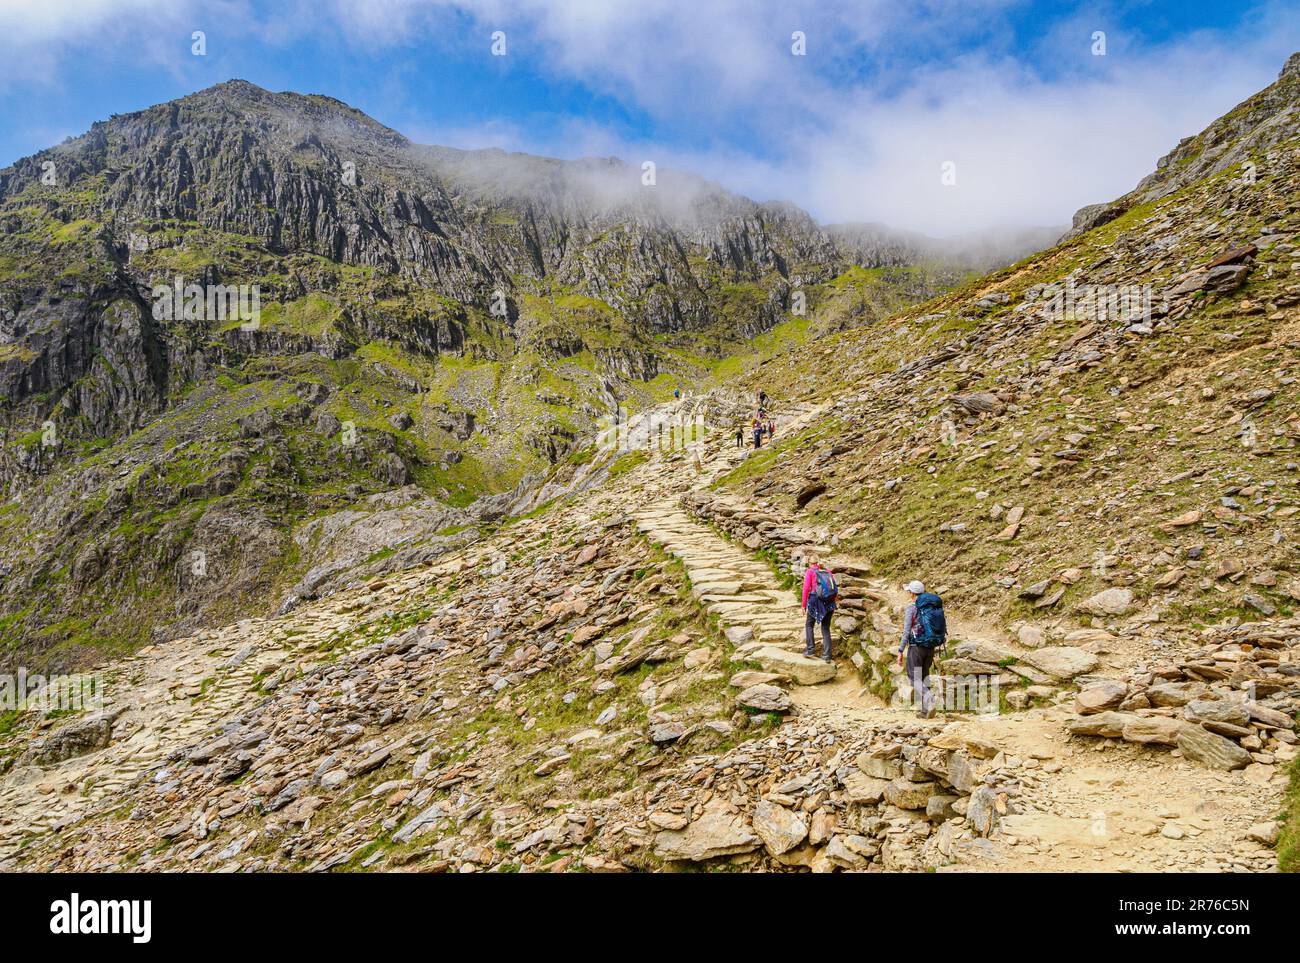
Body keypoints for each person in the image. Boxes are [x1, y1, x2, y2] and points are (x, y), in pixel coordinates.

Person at [897, 580, 947, 718]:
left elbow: (906, 631)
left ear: (912, 593)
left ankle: (929, 698)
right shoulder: (932, 607)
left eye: (909, 592)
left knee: (913, 676)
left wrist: (900, 650)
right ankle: (926, 711)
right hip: (930, 647)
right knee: (924, 676)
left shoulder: (912, 608)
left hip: (916, 647)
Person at [801, 554, 837, 662]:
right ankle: (827, 655)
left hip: (815, 601)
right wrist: (833, 603)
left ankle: (810, 649)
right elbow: (834, 588)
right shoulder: (827, 572)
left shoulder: (810, 572)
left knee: (809, 624)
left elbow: (806, 589)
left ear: (809, 562)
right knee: (825, 628)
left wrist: (803, 605)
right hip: (829, 602)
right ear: (818, 562)